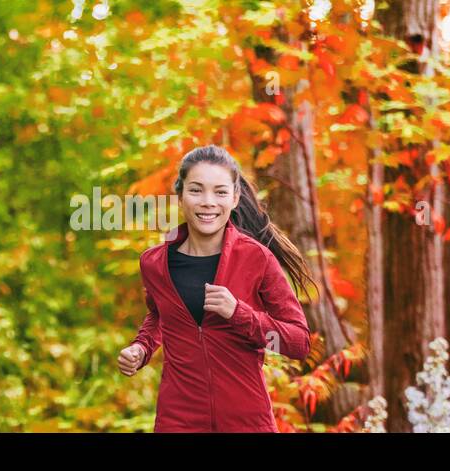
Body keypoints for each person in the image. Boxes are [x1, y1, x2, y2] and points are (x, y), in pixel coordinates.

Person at [117, 144, 315, 432]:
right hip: (178, 421)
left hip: (247, 422)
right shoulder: (154, 263)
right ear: (180, 196)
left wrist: (239, 314)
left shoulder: (256, 258)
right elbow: (160, 316)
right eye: (196, 190)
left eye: (220, 192)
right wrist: (141, 348)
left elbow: (298, 343)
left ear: (235, 199)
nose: (208, 201)